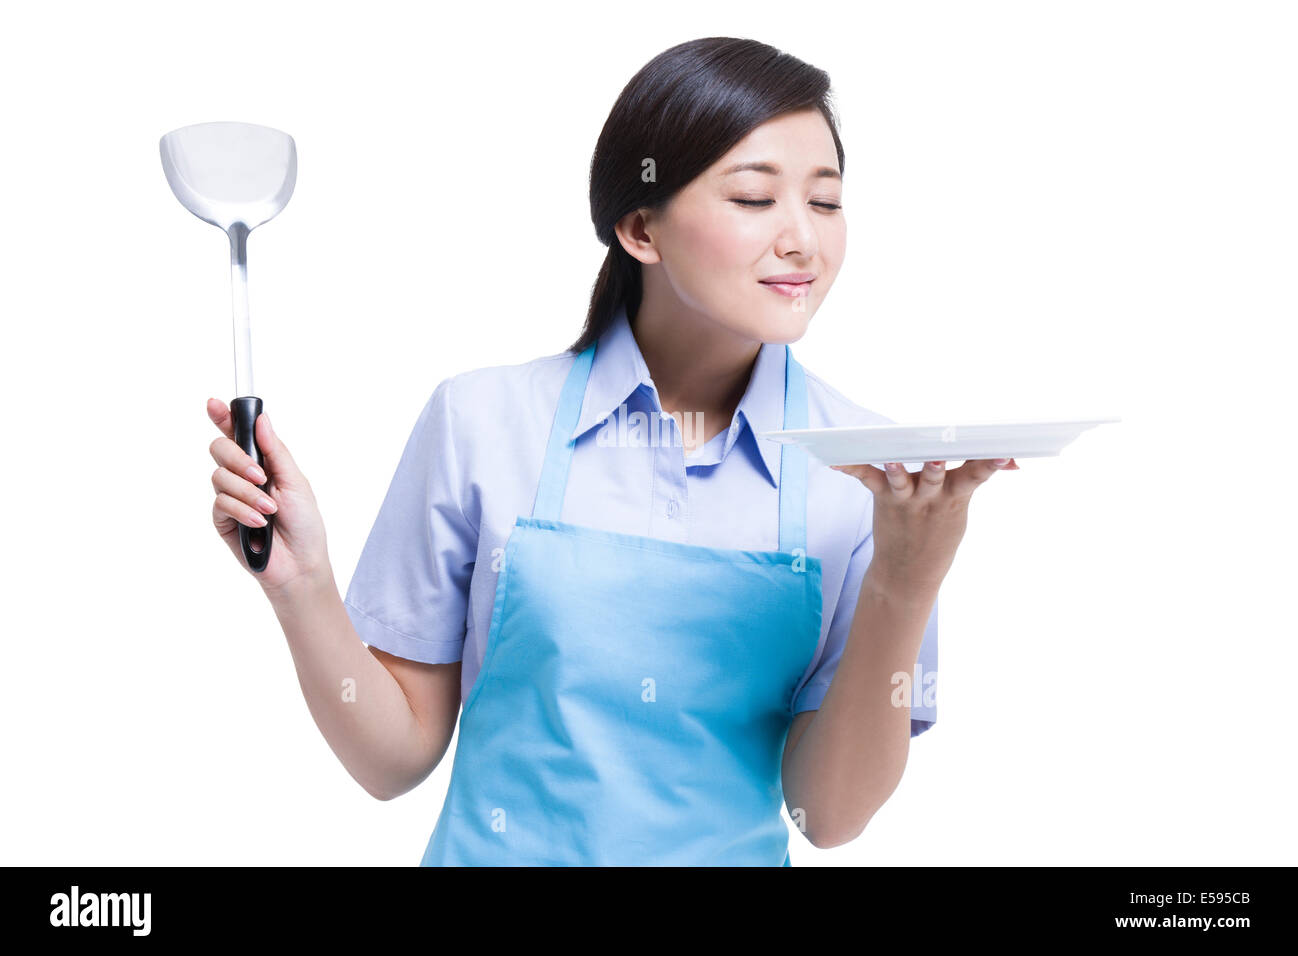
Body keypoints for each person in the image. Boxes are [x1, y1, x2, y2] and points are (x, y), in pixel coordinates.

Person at [204, 36, 1017, 866]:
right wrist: (302, 588)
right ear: (640, 227)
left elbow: (827, 817)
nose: (803, 241)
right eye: (753, 198)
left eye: (826, 202)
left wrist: (905, 578)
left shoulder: (872, 478)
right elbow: (393, 759)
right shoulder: (482, 422)